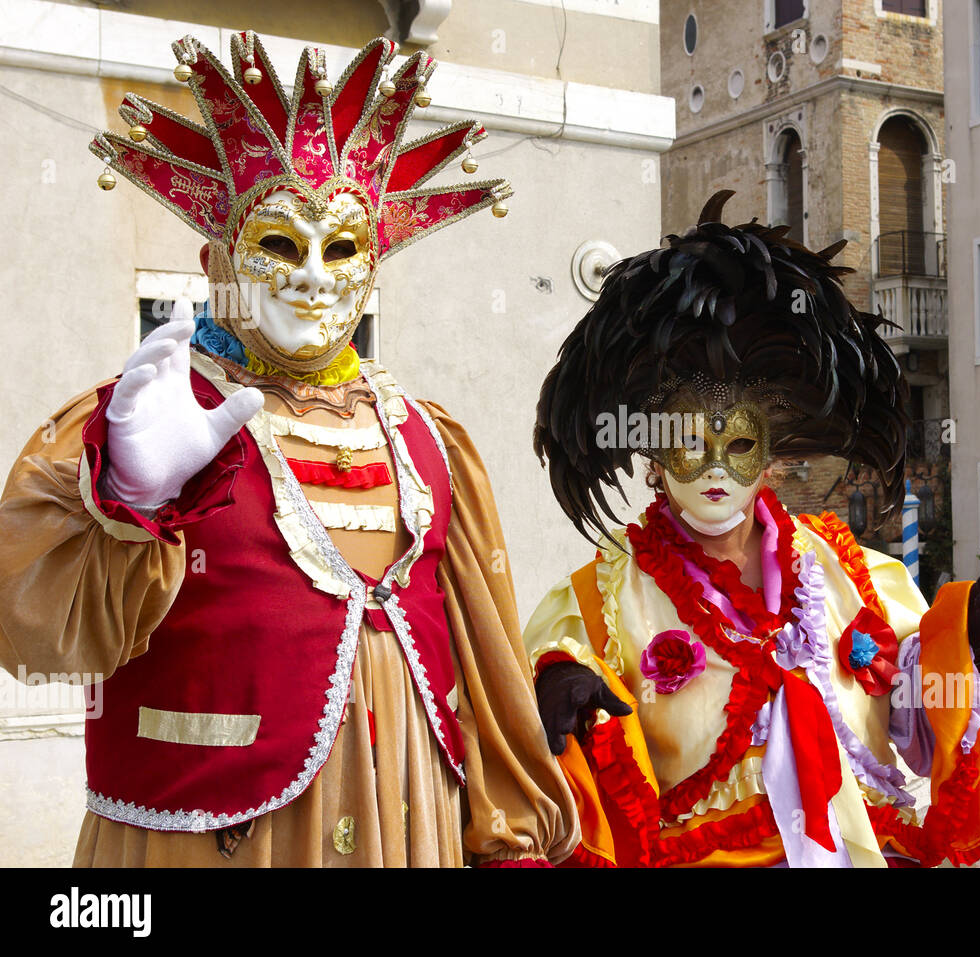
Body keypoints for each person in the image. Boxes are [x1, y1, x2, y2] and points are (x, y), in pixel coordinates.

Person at [0, 32, 575, 867]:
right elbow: (31, 628)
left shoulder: (428, 435)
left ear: (373, 265)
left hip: (406, 816)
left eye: (340, 249)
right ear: (218, 257)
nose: (311, 276)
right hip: (209, 834)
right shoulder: (149, 415)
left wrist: (510, 826)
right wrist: (127, 493)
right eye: (278, 245)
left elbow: (488, 664)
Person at [524, 192, 980, 867]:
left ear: (774, 455)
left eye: (741, 443)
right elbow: (529, 701)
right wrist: (555, 688)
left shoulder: (852, 574)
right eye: (692, 441)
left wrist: (964, 638)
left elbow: (915, 724)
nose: (717, 467)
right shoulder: (603, 599)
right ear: (653, 459)